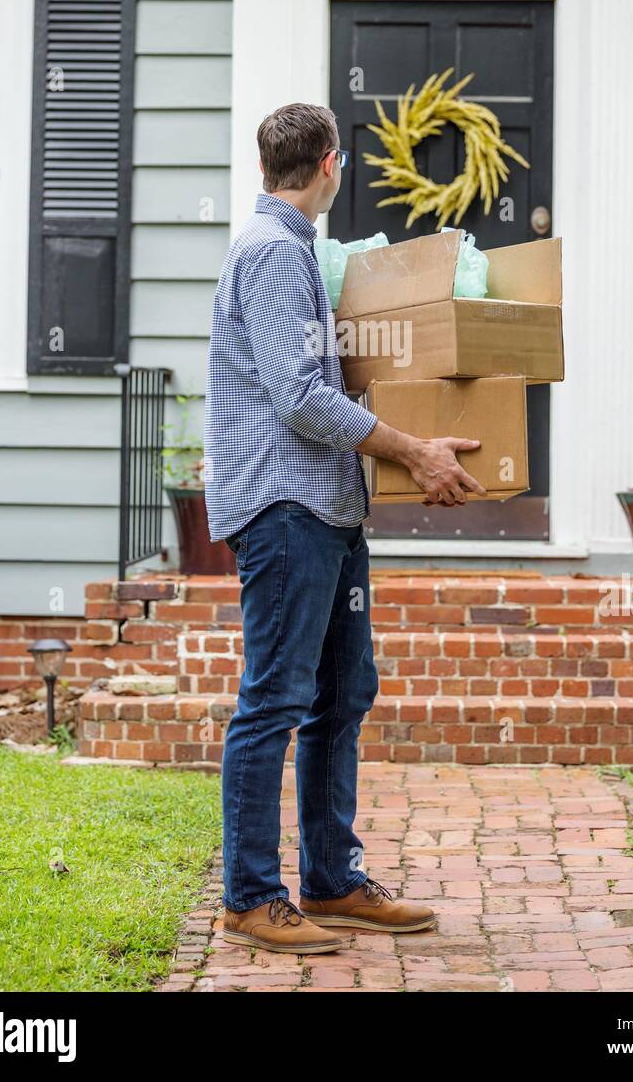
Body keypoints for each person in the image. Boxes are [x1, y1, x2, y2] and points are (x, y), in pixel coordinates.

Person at [205, 102, 485, 954]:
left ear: (269, 165)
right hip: (285, 510)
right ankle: (251, 896)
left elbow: (325, 383)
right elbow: (299, 398)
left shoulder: (295, 254)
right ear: (331, 164)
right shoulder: (270, 255)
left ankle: (330, 881)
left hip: (327, 506)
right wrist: (415, 451)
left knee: (340, 695)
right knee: (275, 702)